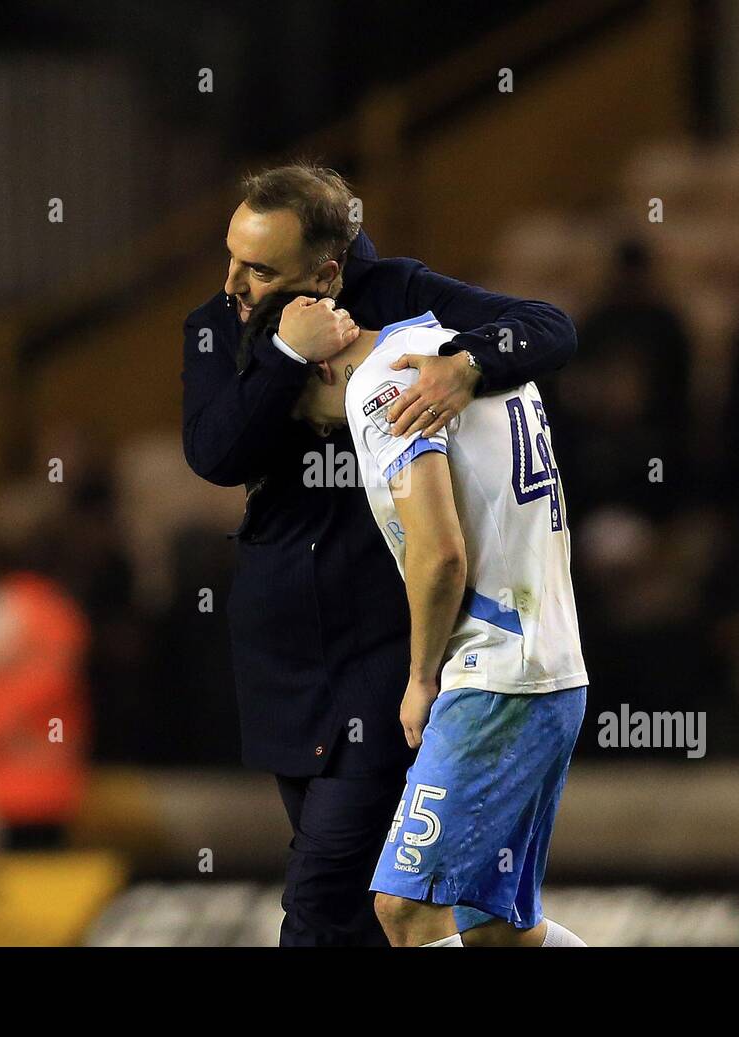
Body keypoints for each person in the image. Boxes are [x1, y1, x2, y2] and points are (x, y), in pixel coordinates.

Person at [180, 162, 578, 945]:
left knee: (334, 904)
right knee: (471, 922)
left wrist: (467, 364)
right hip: (289, 657)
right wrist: (281, 359)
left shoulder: (397, 316)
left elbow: (547, 327)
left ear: (327, 273)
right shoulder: (218, 321)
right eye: (231, 256)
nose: (234, 282)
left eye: (260, 268)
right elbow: (216, 451)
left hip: (394, 649)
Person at [255, 292, 589, 947]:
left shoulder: (381, 383)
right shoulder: (464, 350)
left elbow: (439, 555)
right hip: (547, 669)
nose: (324, 433)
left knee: (405, 910)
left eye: (306, 417)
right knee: (493, 928)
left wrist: (419, 676)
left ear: (322, 371)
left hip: (495, 673)